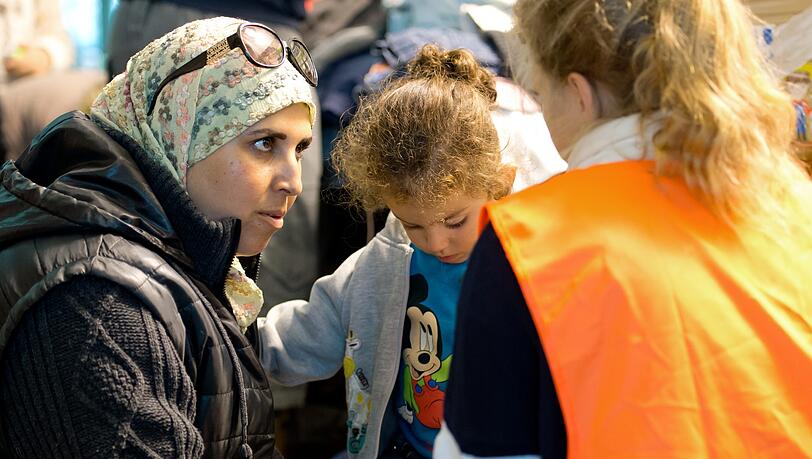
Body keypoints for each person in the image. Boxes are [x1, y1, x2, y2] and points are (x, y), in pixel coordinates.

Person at [436, 0, 812, 457]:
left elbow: (482, 451)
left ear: (579, 92)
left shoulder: (530, 240)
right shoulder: (794, 199)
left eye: (540, 90)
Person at [0, 16, 318, 458]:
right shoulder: (102, 306)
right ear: (177, 136)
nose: (293, 181)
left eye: (300, 149)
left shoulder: (171, 260)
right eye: (264, 143)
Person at [257, 44, 532, 458]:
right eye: (413, 224)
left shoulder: (530, 265)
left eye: (455, 221)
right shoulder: (382, 264)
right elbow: (303, 337)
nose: (436, 242)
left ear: (501, 183)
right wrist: (224, 338)